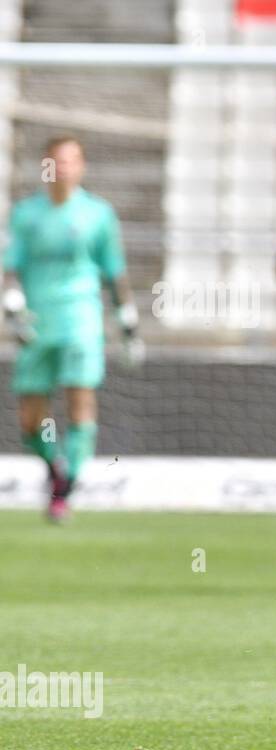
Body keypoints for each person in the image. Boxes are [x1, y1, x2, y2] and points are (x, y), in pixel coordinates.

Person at [4, 135, 139, 522]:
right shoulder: (27, 215)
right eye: (56, 161)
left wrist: (127, 320)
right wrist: (11, 301)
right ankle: (55, 465)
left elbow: (115, 271)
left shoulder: (97, 215)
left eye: (71, 161)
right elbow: (10, 267)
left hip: (81, 318)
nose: (63, 168)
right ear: (46, 166)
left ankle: (65, 490)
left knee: (79, 400)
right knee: (32, 419)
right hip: (37, 323)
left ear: (82, 166)